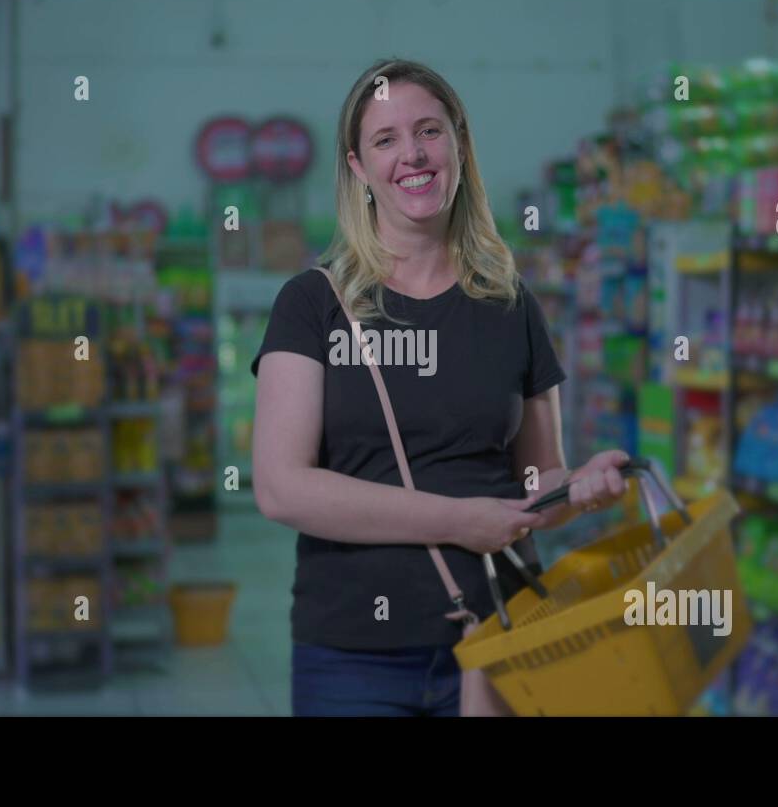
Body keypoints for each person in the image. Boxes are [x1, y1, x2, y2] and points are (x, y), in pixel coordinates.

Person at [251, 58, 630, 717]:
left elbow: (537, 483)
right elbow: (281, 486)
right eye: (386, 139)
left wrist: (578, 489)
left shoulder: (512, 305)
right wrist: (460, 518)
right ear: (358, 167)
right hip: (352, 659)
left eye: (429, 130)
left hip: (498, 642)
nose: (413, 154)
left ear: (459, 142)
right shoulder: (312, 305)